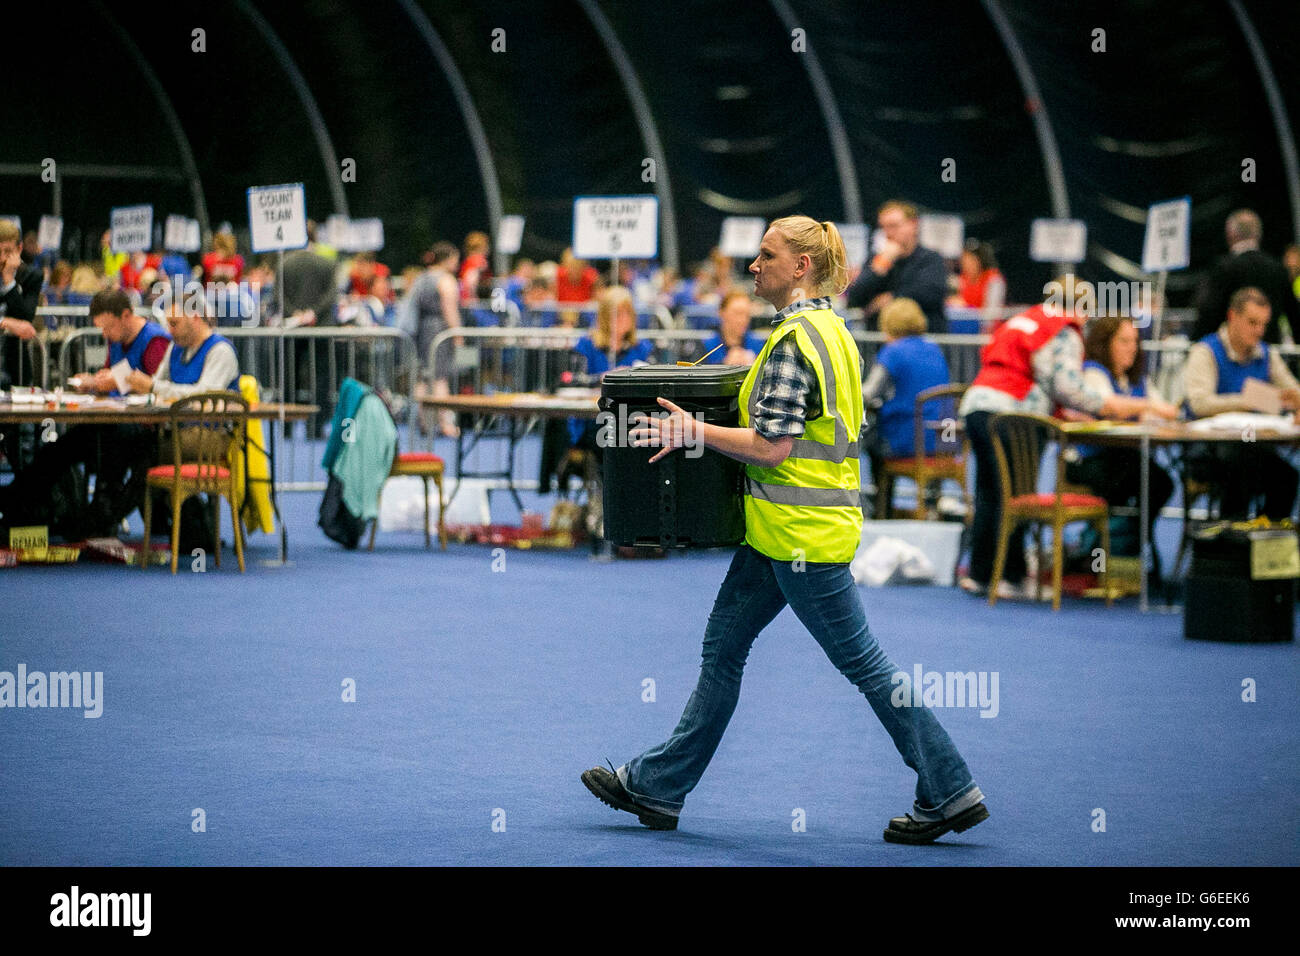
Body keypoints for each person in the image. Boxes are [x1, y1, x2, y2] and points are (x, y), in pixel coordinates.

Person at [581, 215, 989, 844]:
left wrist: (693, 430)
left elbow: (773, 447)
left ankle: (949, 784)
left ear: (801, 266)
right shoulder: (832, 331)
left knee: (865, 665)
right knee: (724, 651)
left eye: (765, 255)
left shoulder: (796, 341)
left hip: (798, 538)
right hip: (786, 532)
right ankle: (657, 786)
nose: (753, 265)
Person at [958, 278, 1174, 598]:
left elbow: (1027, 371)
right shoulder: (1063, 329)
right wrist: (1118, 406)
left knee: (991, 492)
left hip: (977, 407)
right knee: (1017, 494)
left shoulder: (1026, 318)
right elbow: (1068, 387)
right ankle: (1011, 577)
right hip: (1015, 415)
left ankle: (980, 574)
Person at [0, 289, 171, 537]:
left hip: (143, 431)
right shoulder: (116, 339)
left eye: (107, 328)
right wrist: (92, 382)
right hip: (110, 420)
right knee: (59, 450)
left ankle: (94, 518)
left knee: (103, 444)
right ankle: (18, 502)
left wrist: (115, 382)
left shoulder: (156, 341)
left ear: (125, 316)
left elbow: (158, 387)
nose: (104, 335)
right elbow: (109, 376)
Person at [1063, 316, 1176, 579]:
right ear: (1105, 344)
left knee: (1158, 482)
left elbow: (1165, 411)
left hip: (1124, 460)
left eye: (1135, 341)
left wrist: (1151, 410)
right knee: (1145, 479)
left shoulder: (1136, 379)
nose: (1132, 348)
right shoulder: (1093, 372)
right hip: (1087, 462)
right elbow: (1110, 407)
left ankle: (1124, 547)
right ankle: (1102, 552)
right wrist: (1146, 408)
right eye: (1124, 341)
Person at [1184, 286, 1300, 521]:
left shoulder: (1267, 354)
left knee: (1286, 477)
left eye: (1264, 324)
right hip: (1208, 451)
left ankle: (1267, 545)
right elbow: (1199, 404)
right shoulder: (1205, 351)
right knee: (1238, 464)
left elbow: (1292, 389)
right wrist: (1248, 401)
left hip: (1253, 446)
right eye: (1252, 322)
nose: (1259, 331)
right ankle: (1232, 545)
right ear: (1232, 317)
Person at [862, 297, 952, 508]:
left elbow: (867, 393)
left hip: (908, 441)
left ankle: (883, 506)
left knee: (872, 442)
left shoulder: (892, 352)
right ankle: (931, 502)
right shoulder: (934, 348)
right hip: (944, 440)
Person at [1193, 209, 1299, 344]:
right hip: (1270, 351)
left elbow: (1208, 314)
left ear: (1230, 234)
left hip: (1227, 356)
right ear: (1258, 234)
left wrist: (1197, 347)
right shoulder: (1278, 269)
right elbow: (1295, 317)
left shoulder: (1223, 268)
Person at [846, 200, 948, 332]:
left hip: (922, 338)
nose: (888, 233)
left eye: (893, 226)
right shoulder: (878, 259)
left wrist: (891, 298)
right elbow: (854, 299)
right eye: (883, 227)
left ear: (913, 224)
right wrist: (878, 269)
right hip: (881, 343)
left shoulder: (931, 258)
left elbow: (932, 293)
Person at [405, 241, 462, 438]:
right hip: (440, 331)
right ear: (447, 259)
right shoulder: (446, 280)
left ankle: (425, 422)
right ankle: (445, 424)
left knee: (423, 378)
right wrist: (457, 334)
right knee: (440, 378)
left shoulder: (422, 278)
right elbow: (449, 310)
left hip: (422, 330)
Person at [698, 290, 762, 364]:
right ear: (721, 313)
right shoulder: (707, 345)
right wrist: (724, 365)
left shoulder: (757, 344)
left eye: (747, 314)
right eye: (737, 313)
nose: (743, 320)